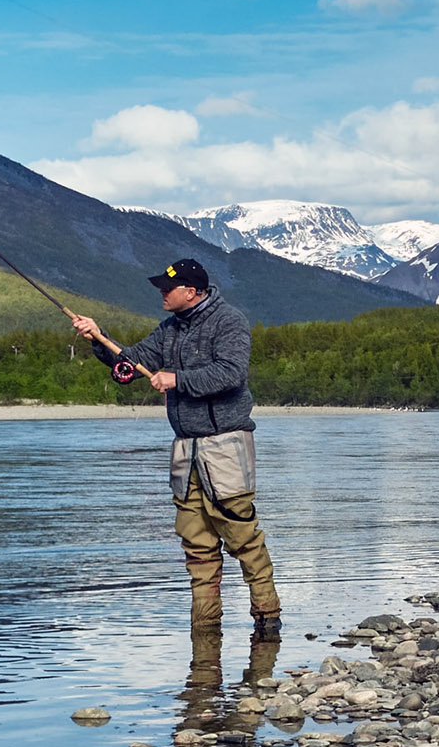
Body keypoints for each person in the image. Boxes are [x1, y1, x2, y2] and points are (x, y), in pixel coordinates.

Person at [68, 258, 283, 640]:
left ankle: (268, 623)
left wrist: (177, 379)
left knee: (243, 538)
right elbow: (130, 365)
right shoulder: (169, 329)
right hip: (186, 450)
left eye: (168, 288)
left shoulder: (229, 321)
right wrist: (98, 338)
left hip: (226, 444)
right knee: (196, 546)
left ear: (192, 291)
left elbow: (232, 373)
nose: (161, 294)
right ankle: (205, 632)